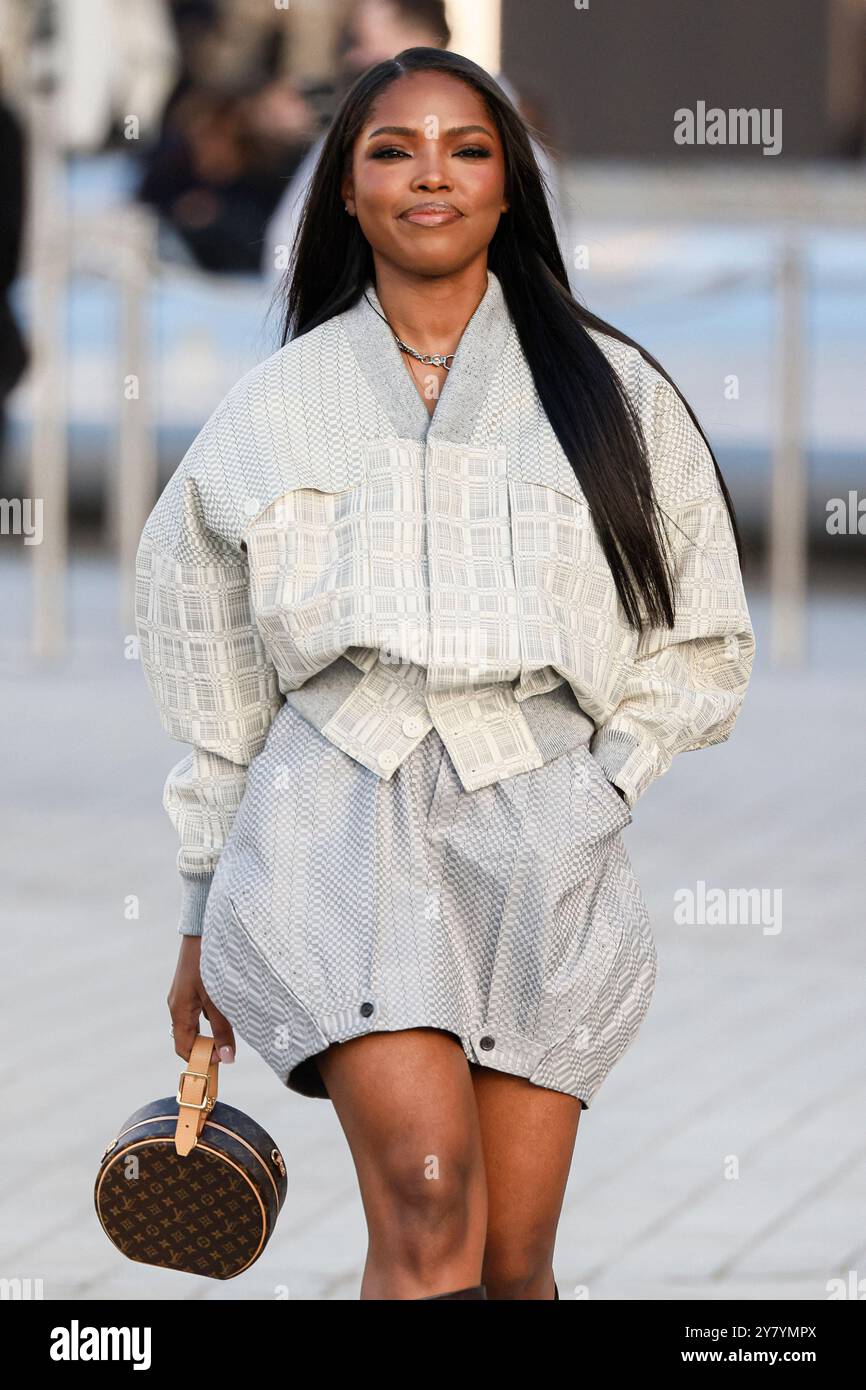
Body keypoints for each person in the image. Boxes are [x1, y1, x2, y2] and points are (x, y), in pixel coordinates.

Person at [134, 48, 756, 1301]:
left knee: (513, 1262)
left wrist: (605, 788)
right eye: (390, 151)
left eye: (466, 149)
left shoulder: (611, 392)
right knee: (427, 1205)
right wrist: (200, 912)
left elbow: (703, 639)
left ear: (510, 188)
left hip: (537, 828)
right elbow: (212, 685)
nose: (431, 176)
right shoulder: (268, 411)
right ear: (344, 193)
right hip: (335, 825)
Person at [261, 0, 564, 282]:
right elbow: (292, 245)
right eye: (391, 154)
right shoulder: (361, 117)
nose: (432, 180)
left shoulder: (496, 120)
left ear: (412, 34)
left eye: (362, 40)